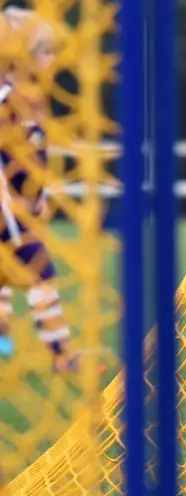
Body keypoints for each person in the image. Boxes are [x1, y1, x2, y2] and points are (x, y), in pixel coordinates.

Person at [0, 7, 84, 372]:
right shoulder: (7, 100)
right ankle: (63, 355)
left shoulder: (35, 101)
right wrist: (11, 199)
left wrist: (42, 197)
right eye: (46, 52)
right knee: (40, 271)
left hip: (23, 208)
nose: (54, 60)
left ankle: (6, 334)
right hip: (7, 209)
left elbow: (38, 159)